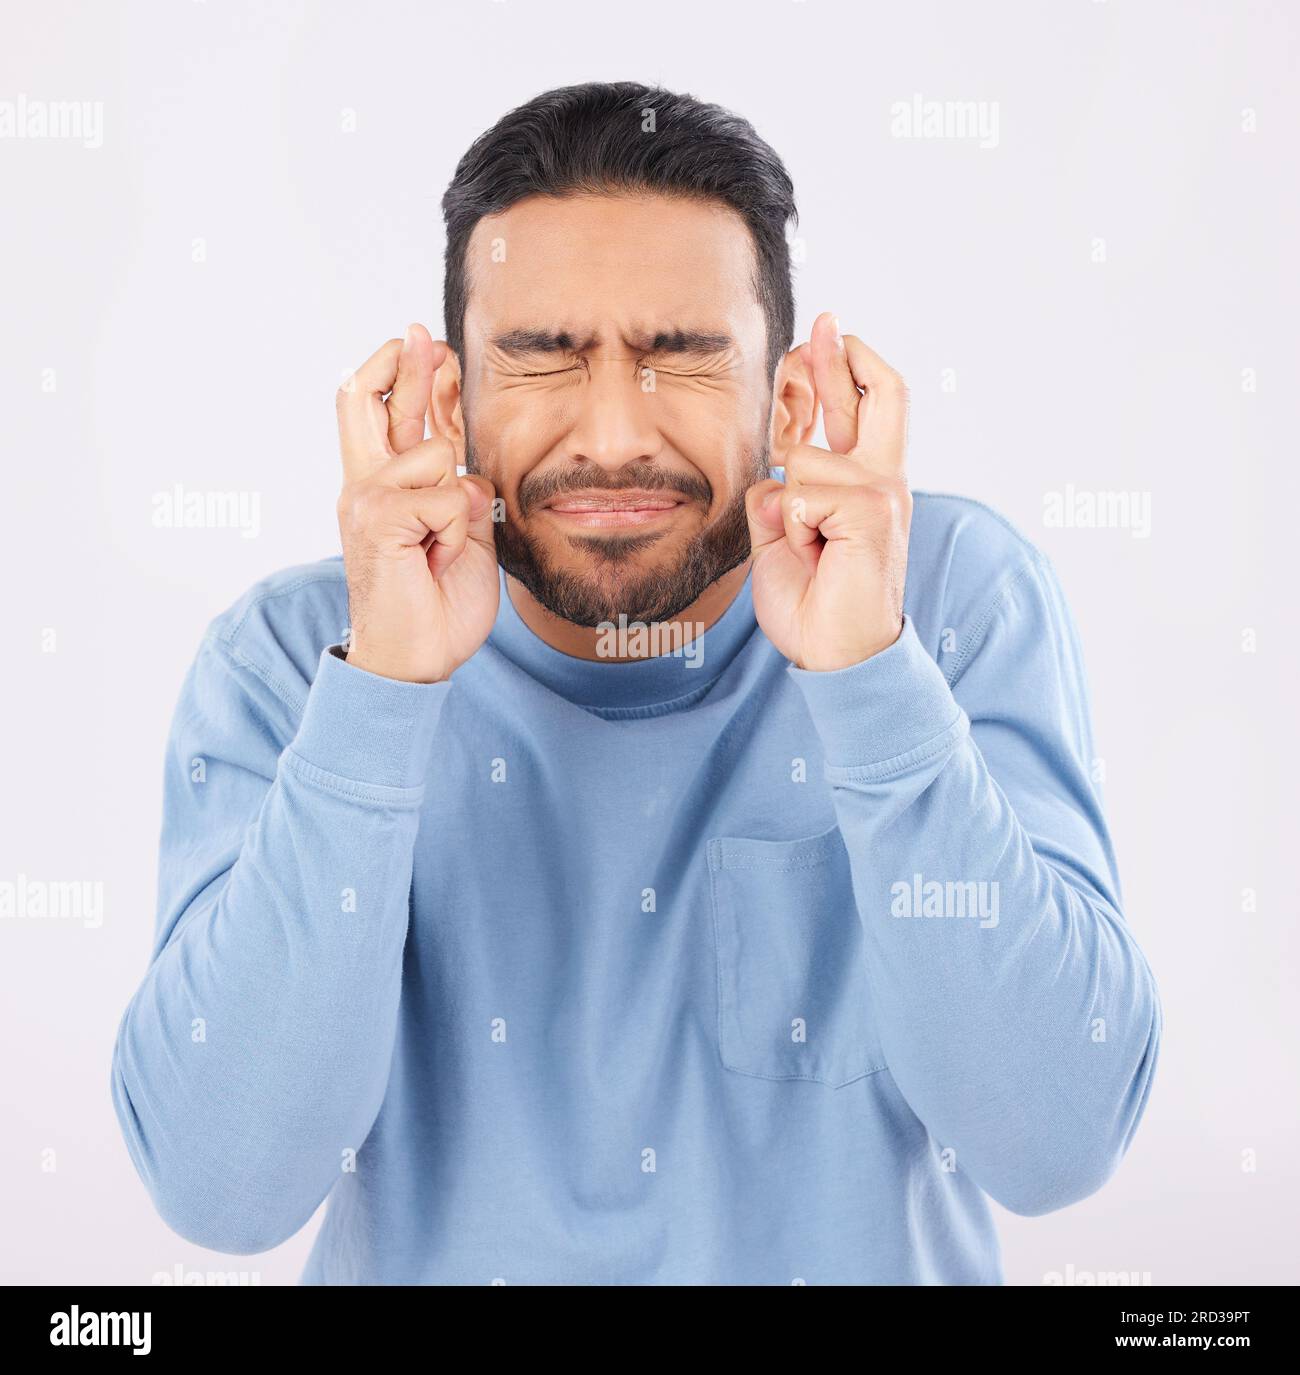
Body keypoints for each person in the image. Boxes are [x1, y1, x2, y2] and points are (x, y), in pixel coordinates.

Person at [110, 81, 1162, 1284]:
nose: (612, 433)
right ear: (454, 401)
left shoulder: (950, 604)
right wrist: (383, 695)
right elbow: (219, 1185)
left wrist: (870, 675)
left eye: (684, 356)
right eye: (543, 358)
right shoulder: (300, 661)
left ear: (787, 398)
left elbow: (1056, 1140)